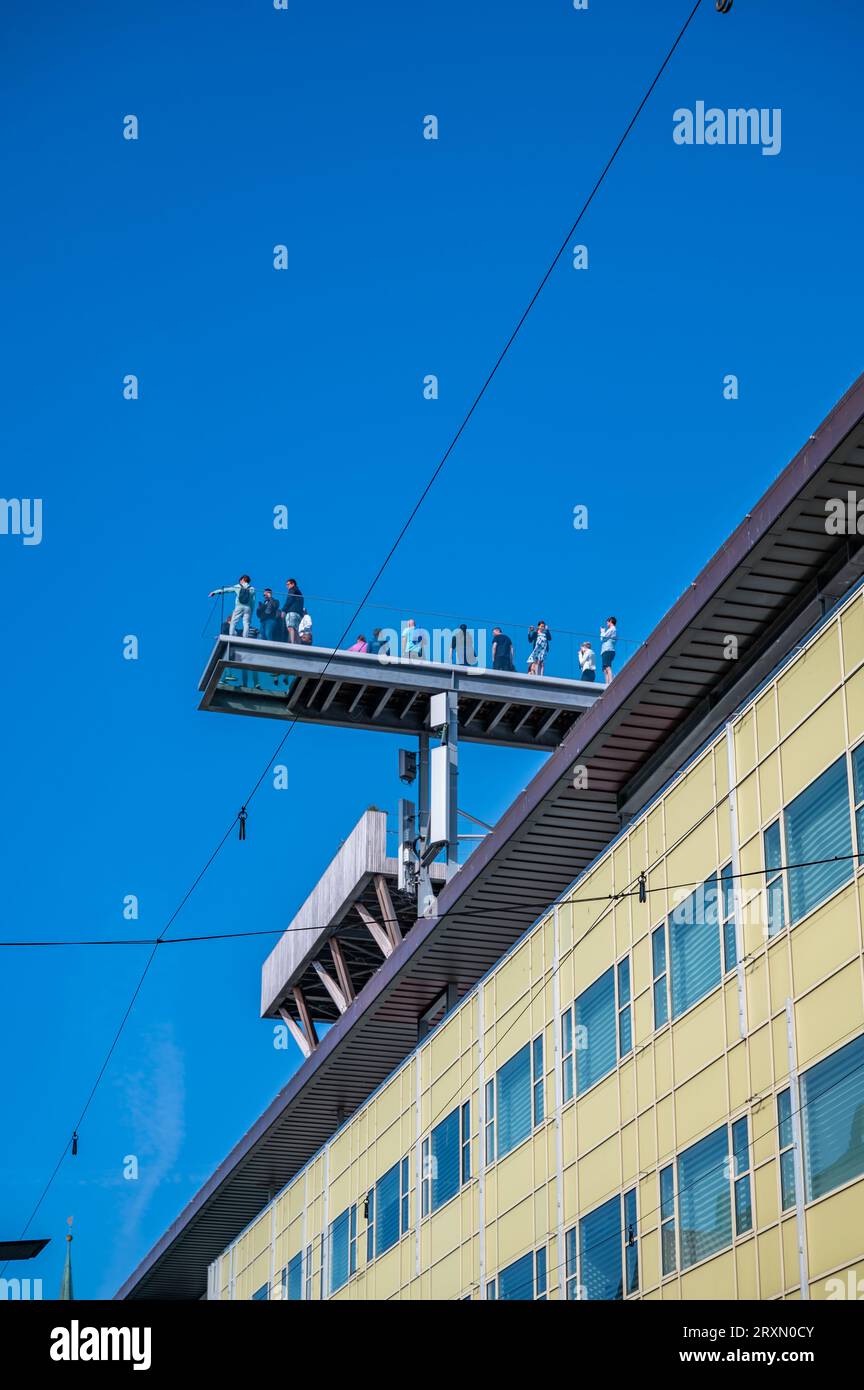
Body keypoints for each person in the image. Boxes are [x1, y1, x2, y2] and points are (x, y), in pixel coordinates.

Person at [282, 578, 304, 643]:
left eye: (288, 584)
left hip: (292, 612)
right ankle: (298, 644)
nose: (287, 586)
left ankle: (292, 643)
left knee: (290, 627)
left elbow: (289, 599)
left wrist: (284, 610)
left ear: (292, 584)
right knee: (295, 630)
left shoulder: (292, 590)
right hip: (298, 614)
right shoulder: (299, 592)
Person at [600, 616, 618, 684]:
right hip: (606, 650)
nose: (607, 624)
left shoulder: (612, 629)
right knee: (605, 669)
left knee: (607, 667)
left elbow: (603, 638)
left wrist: (602, 632)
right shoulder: (612, 629)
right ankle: (607, 683)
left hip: (608, 650)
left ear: (610, 621)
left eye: (607, 622)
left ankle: (610, 682)